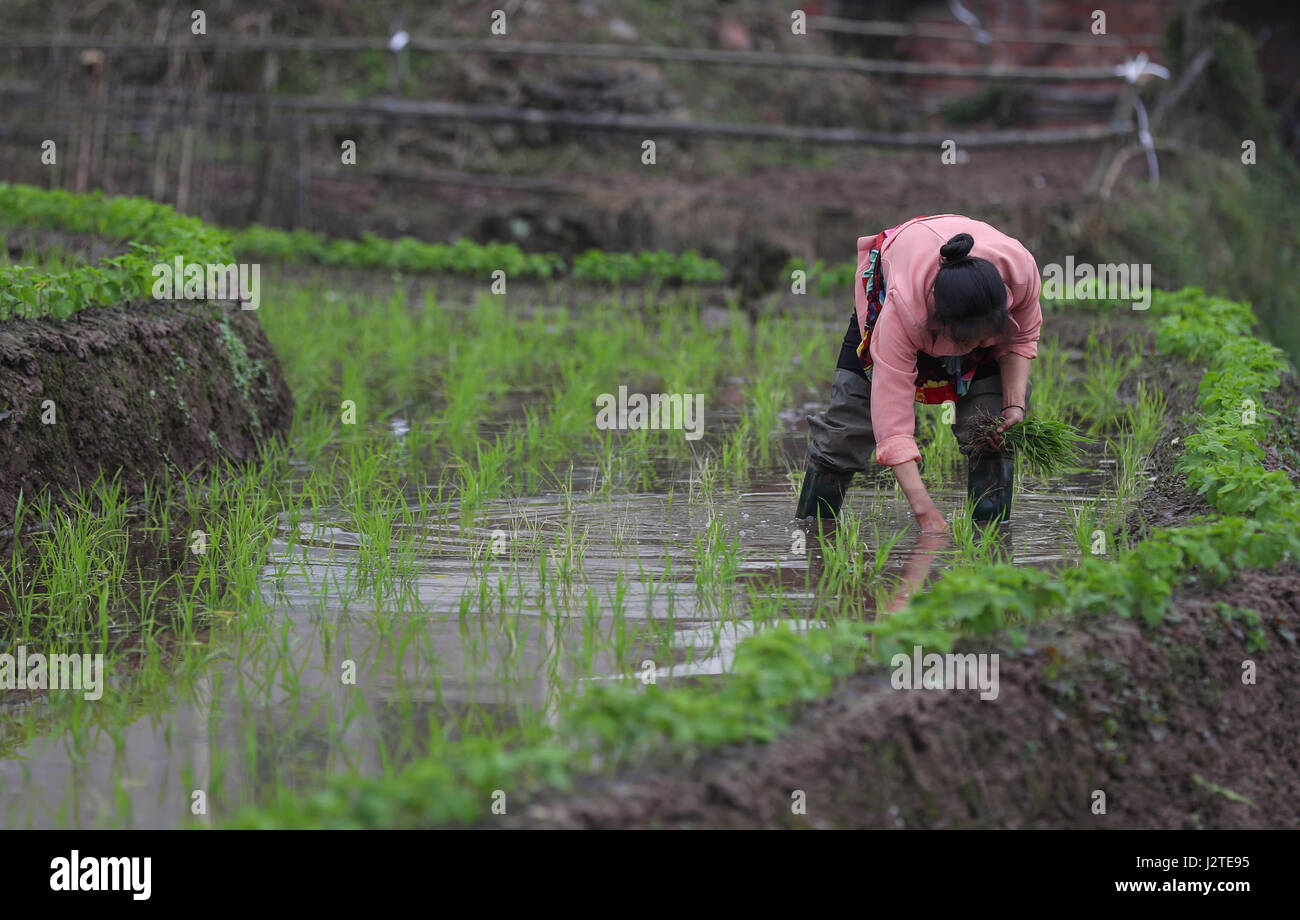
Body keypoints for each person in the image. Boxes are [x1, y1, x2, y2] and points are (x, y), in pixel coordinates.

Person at [795, 214, 1043, 533]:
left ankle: (992, 536)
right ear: (943, 324)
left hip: (972, 305)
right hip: (892, 295)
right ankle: (812, 530)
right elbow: (893, 423)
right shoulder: (904, 311)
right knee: (848, 427)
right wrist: (923, 509)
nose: (978, 346)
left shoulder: (1020, 272)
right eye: (970, 340)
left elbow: (1021, 339)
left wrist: (1014, 406)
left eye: (986, 338)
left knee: (993, 428)